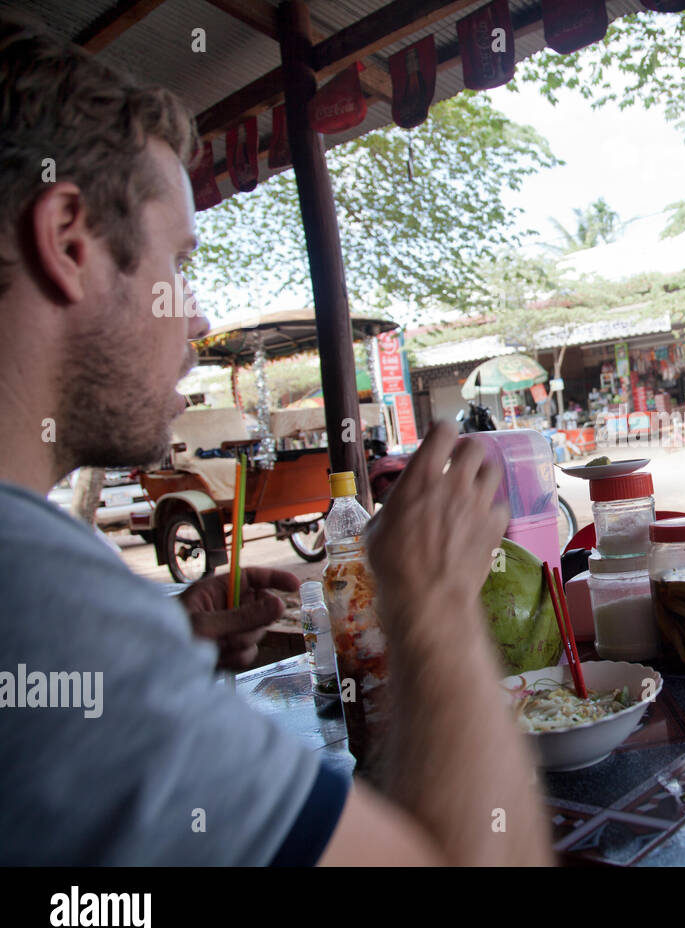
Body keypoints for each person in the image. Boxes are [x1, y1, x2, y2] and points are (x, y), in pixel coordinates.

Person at [0, 16, 550, 865]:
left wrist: (153, 662)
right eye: (178, 263)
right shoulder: (38, 596)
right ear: (70, 241)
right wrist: (435, 606)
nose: (198, 315)